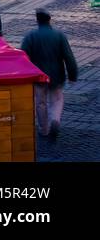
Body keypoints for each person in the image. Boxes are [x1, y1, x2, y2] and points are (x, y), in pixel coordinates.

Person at [20, 10, 77, 143]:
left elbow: (23, 57)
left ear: (37, 21)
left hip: (38, 76)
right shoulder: (59, 35)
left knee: (40, 103)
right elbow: (68, 57)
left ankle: (43, 129)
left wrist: (24, 75)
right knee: (56, 100)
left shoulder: (31, 36)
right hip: (56, 75)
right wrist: (72, 75)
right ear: (49, 20)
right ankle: (55, 120)